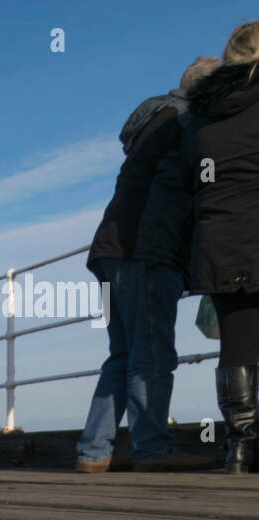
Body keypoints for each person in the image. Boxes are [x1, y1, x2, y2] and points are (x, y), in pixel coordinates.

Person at [76, 59, 220, 473]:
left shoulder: (154, 119)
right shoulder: (188, 122)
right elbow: (184, 189)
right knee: (152, 353)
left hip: (109, 249)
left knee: (122, 354)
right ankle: (153, 448)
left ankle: (94, 452)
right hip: (146, 251)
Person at [181, 22, 259, 473]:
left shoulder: (200, 116)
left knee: (238, 342)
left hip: (219, 239)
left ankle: (240, 447)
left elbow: (194, 176)